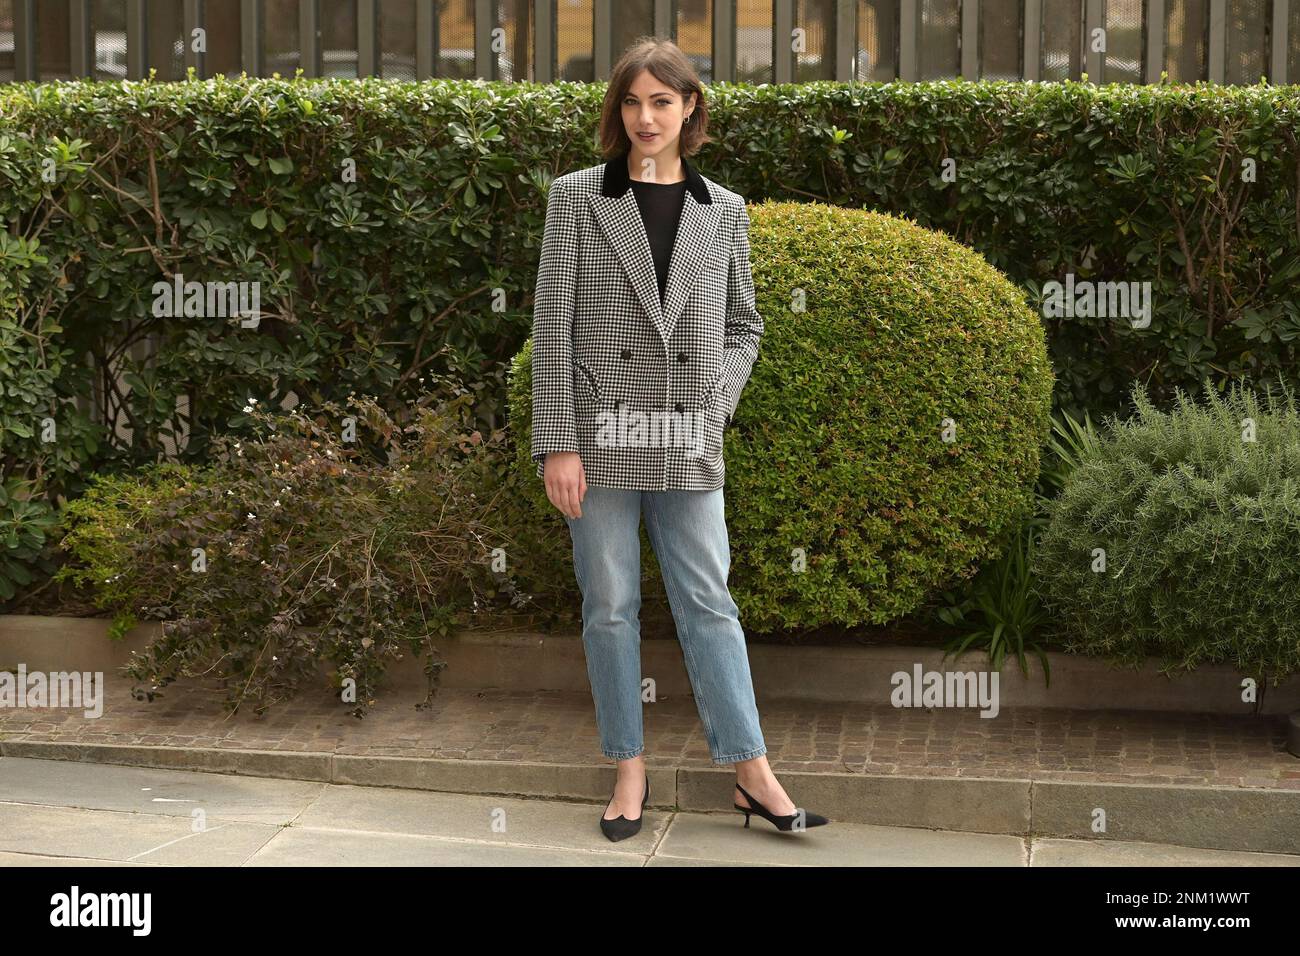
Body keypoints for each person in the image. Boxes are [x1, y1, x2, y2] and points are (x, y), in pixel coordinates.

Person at [530, 37, 830, 842]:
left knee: (709, 604)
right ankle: (628, 768)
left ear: (690, 107)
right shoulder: (575, 199)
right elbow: (551, 328)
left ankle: (750, 771)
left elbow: (744, 324)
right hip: (598, 438)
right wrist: (558, 441)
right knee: (610, 607)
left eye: (663, 101)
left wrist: (714, 403)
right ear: (617, 111)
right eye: (632, 102)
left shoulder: (721, 208)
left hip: (689, 439)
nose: (646, 117)